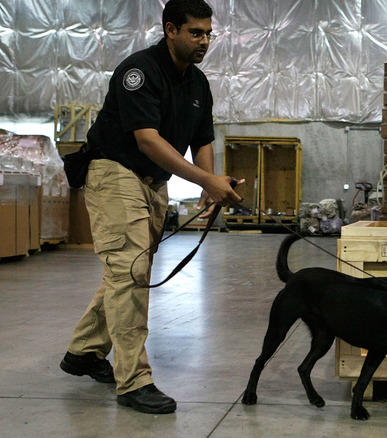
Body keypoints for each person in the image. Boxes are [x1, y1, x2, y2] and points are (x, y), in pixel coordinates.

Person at [59, 0, 242, 414]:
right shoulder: (139, 72)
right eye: (195, 32)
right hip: (114, 170)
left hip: (153, 182)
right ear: (170, 30)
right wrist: (204, 181)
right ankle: (134, 381)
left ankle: (84, 351)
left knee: (129, 270)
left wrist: (211, 184)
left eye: (209, 33)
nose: (204, 41)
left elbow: (202, 138)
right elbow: (147, 140)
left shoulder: (198, 83)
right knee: (130, 271)